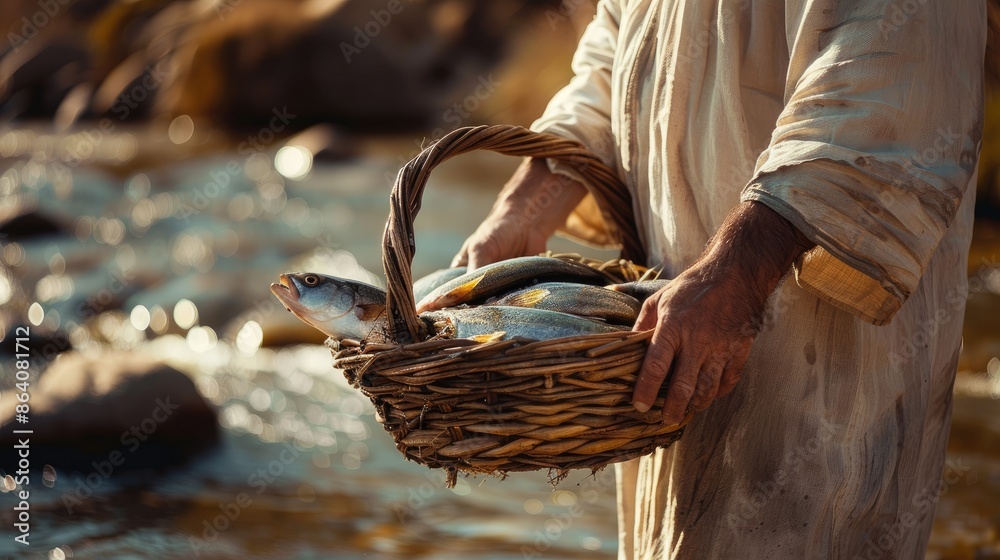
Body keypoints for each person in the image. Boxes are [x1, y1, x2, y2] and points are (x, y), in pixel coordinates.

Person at [449, 1, 986, 558]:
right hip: (673, 327)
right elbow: (616, 47)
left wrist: (737, 273)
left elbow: (889, 92)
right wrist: (528, 200)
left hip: (820, 367)